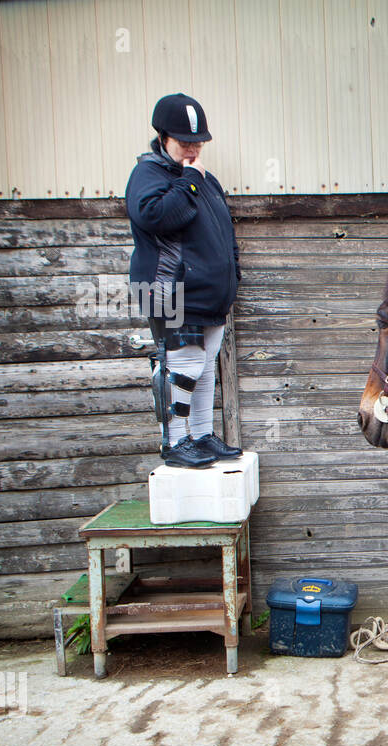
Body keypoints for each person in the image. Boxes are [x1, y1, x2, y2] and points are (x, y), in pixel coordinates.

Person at [126, 92, 242, 468]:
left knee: (206, 366)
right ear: (163, 138)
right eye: (185, 143)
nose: (193, 150)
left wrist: (233, 275)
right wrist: (191, 179)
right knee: (183, 366)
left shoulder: (206, 180)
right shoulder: (149, 174)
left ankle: (202, 435)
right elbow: (157, 215)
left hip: (210, 297)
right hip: (172, 293)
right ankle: (175, 443)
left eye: (198, 143)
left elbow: (225, 232)